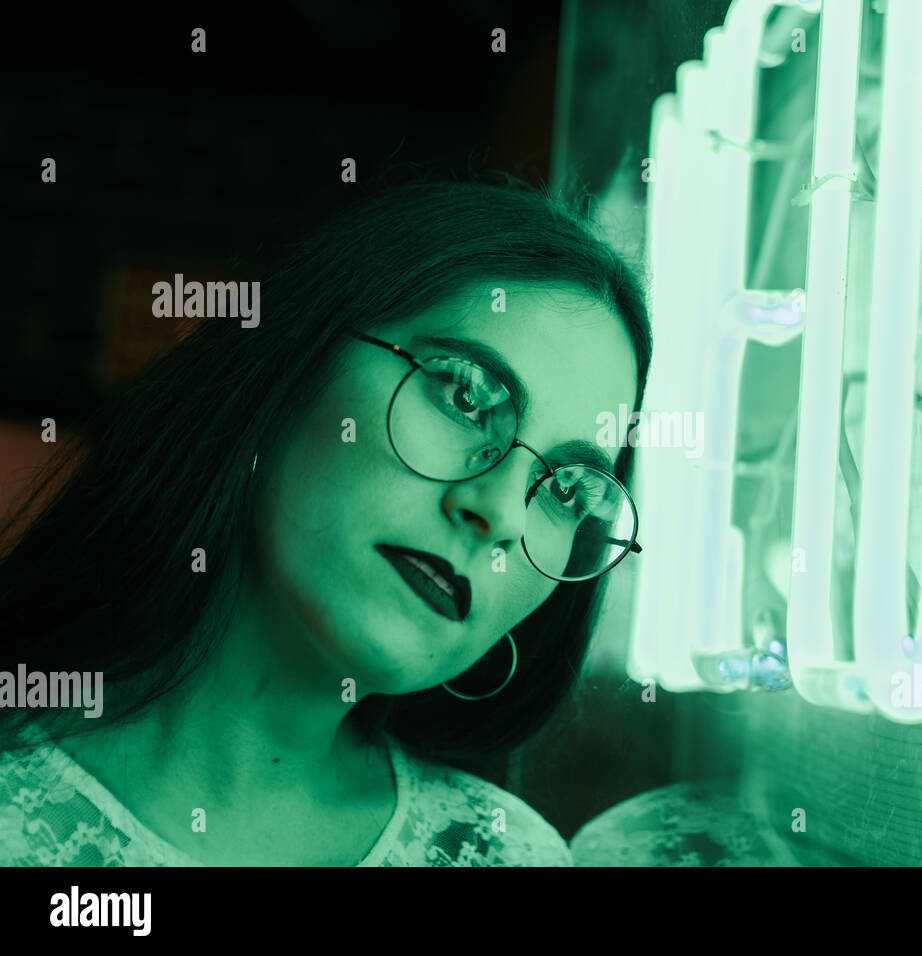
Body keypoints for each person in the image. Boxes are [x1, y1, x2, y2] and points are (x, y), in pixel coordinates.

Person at [0, 175, 653, 866]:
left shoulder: (505, 855)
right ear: (292, 362)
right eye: (465, 395)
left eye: (567, 490)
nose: (497, 513)